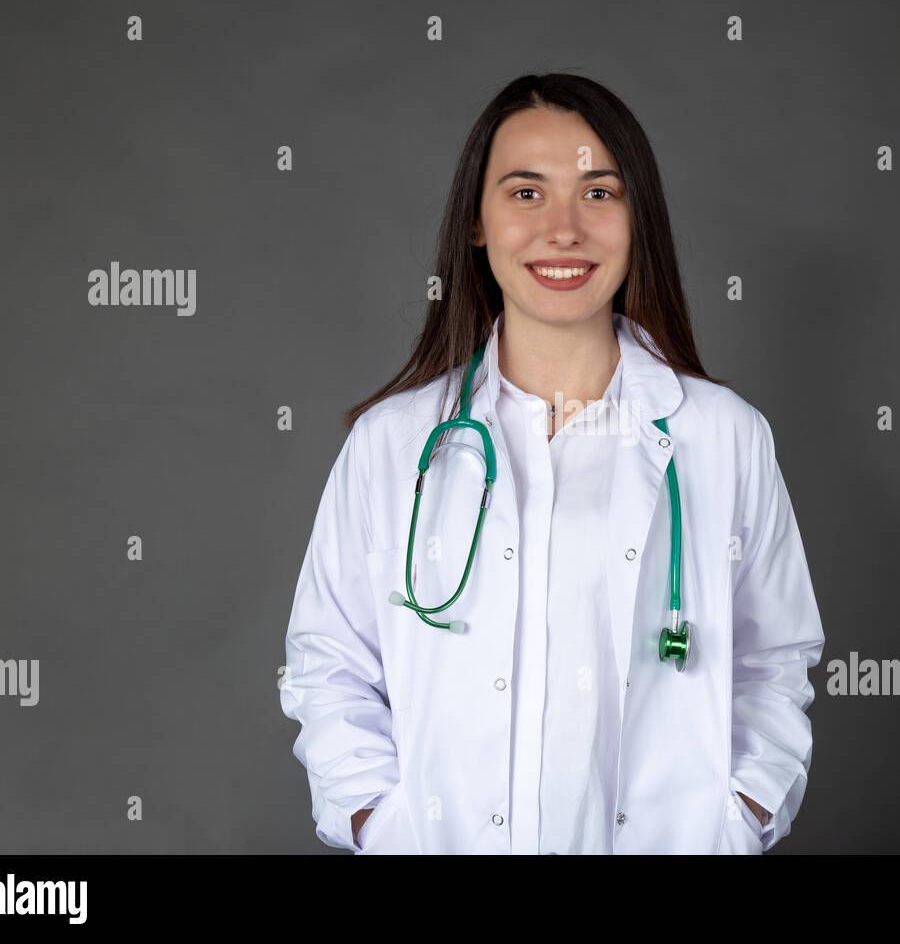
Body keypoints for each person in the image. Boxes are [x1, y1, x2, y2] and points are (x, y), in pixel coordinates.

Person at [279, 73, 825, 854]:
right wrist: (379, 817)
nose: (563, 230)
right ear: (477, 223)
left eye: (599, 193)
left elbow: (773, 658)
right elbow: (328, 661)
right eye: (526, 194)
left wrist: (736, 817)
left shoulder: (723, 437)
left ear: (639, 221)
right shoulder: (393, 444)